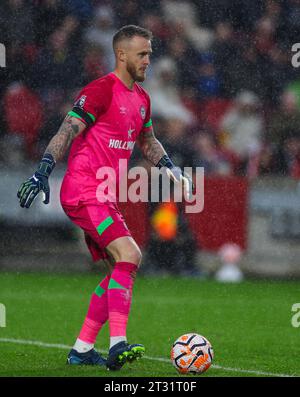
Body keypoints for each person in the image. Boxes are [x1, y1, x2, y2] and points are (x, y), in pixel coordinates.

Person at [17, 25, 193, 371]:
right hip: (83, 189)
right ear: (122, 54)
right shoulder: (100, 90)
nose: (148, 60)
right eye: (142, 54)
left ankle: (82, 349)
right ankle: (117, 345)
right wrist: (43, 169)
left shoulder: (142, 98)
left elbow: (148, 142)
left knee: (119, 269)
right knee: (131, 253)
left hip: (105, 196)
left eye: (150, 54)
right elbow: (67, 129)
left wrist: (173, 169)